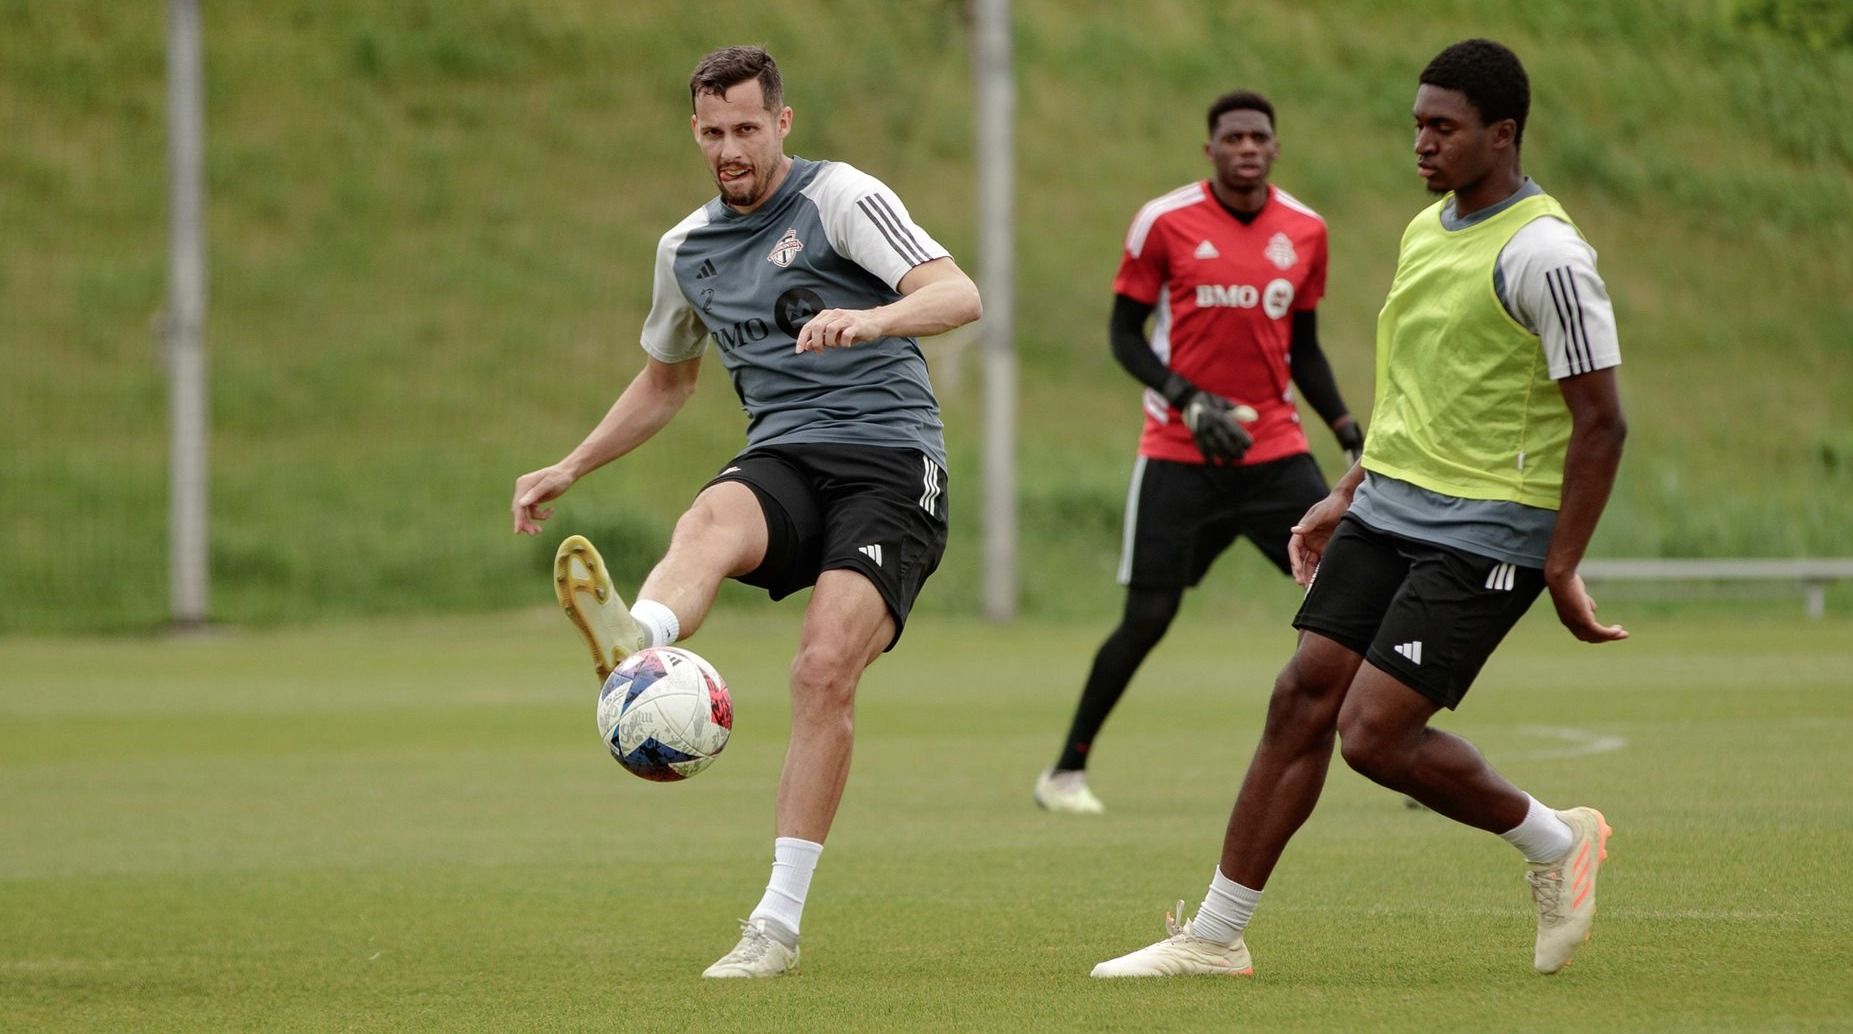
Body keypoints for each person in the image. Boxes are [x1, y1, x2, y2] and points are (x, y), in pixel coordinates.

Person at [1090, 39, 1627, 978]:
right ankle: (1214, 938)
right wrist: (1347, 490)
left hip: (1491, 524)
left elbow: (1602, 424)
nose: (1421, 143)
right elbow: (1417, 388)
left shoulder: (1547, 254)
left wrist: (1562, 562)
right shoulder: (1430, 230)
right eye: (1417, 124)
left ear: (1501, 135)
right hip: (1392, 505)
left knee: (1372, 735)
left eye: (1443, 128)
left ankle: (1554, 841)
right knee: (1298, 694)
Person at [510, 45, 979, 979]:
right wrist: (573, 463)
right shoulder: (685, 252)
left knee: (820, 670)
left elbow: (958, 293)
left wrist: (873, 318)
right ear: (695, 131)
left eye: (748, 129)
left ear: (783, 123)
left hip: (891, 459)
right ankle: (636, 640)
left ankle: (776, 925)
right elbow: (667, 379)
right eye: (714, 132)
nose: (731, 148)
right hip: (786, 453)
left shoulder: (840, 198)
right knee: (711, 521)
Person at [1033, 90, 1365, 816]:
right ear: (1209, 149)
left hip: (1274, 450)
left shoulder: (1305, 230)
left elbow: (1301, 346)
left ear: (1275, 148)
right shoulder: (1164, 222)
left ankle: (1396, 747)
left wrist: (1343, 425)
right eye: (1232, 137)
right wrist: (1189, 400)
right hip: (1179, 454)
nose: (1246, 147)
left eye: (1259, 137)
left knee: (1349, 592)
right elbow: (1123, 336)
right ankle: (1064, 774)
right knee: (1147, 617)